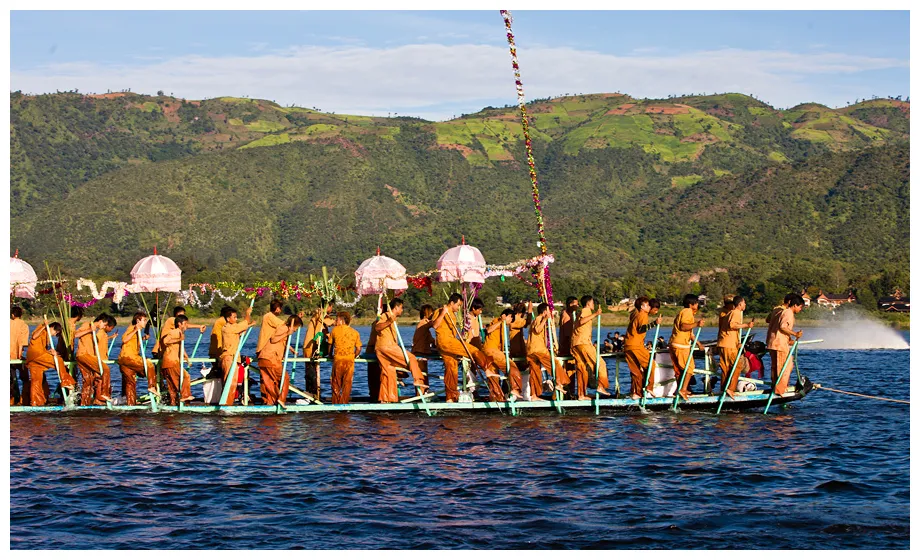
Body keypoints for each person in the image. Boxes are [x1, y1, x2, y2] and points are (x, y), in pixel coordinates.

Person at [433, 293, 494, 403]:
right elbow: (435, 325)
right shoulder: (440, 311)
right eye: (458, 305)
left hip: (450, 342)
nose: (459, 308)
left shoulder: (453, 313)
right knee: (472, 350)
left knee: (452, 368)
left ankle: (450, 397)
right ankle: (487, 368)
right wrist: (443, 313)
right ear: (452, 303)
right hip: (445, 341)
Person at [374, 299, 426, 404]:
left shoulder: (392, 317)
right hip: (387, 346)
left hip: (381, 348)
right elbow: (377, 327)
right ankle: (418, 380)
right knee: (411, 358)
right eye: (401, 308)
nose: (402, 310)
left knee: (388, 371)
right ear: (396, 307)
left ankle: (386, 398)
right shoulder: (386, 315)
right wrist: (389, 321)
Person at [526, 303, 568, 400]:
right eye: (549, 311)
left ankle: (534, 395)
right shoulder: (539, 319)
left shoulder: (537, 320)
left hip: (531, 351)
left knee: (535, 372)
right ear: (545, 312)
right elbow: (537, 330)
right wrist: (545, 319)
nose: (550, 313)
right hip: (538, 350)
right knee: (555, 364)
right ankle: (558, 383)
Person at [570, 296, 610, 400]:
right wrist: (596, 314)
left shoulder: (581, 312)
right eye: (592, 302)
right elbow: (582, 321)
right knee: (601, 363)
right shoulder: (586, 310)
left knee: (582, 368)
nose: (593, 304)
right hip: (583, 343)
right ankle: (601, 386)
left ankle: (581, 394)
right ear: (588, 303)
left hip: (576, 343)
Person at [257, 314, 302, 405]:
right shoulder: (284, 328)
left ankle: (271, 402)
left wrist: (291, 349)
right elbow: (273, 339)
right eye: (296, 327)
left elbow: (281, 341)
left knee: (270, 382)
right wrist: (287, 333)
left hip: (264, 357)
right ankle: (281, 399)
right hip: (271, 358)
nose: (296, 330)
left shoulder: (285, 329)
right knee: (285, 378)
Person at [669, 294, 706, 402]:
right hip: (681, 345)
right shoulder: (687, 311)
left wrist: (698, 344)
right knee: (690, 367)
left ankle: (680, 389)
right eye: (696, 303)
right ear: (691, 304)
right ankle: (683, 389)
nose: (697, 305)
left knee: (681, 369)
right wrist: (697, 324)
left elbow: (690, 334)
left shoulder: (685, 313)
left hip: (676, 343)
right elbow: (683, 326)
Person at [717, 296, 756, 399]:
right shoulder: (736, 312)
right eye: (744, 303)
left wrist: (738, 342)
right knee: (737, 366)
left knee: (726, 368)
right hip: (729, 345)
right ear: (740, 304)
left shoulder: (730, 313)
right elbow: (732, 325)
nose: (745, 305)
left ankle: (724, 389)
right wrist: (746, 325)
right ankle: (731, 389)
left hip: (724, 344)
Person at [766, 294, 804, 395]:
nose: (800, 309)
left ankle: (776, 387)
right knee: (785, 366)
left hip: (774, 342)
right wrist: (795, 334)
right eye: (800, 307)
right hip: (779, 344)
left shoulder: (779, 310)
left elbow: (774, 324)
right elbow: (782, 326)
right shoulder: (788, 312)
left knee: (777, 366)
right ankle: (780, 390)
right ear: (795, 305)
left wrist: (789, 339)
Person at [74, 314, 117, 405]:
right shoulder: (87, 324)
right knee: (105, 369)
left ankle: (84, 403)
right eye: (104, 325)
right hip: (84, 354)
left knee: (88, 379)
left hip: (89, 356)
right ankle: (104, 394)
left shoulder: (96, 330)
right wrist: (90, 330)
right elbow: (75, 335)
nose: (104, 327)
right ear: (100, 321)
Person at [624, 296, 662, 399]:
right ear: (642, 306)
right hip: (636, 345)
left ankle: (636, 393)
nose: (649, 307)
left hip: (628, 345)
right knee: (651, 365)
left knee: (636, 371)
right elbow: (641, 329)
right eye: (647, 305)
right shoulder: (643, 314)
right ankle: (649, 386)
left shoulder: (635, 314)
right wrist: (655, 323)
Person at [482, 309, 523, 401]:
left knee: (494, 375)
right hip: (491, 350)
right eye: (511, 319)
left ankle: (496, 397)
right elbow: (489, 330)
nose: (510, 322)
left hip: (491, 351)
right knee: (512, 366)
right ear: (507, 316)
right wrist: (501, 321)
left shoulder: (503, 325)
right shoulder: (498, 321)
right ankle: (515, 388)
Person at [117, 311, 157, 405]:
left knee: (130, 382)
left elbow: (132, 342)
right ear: (138, 321)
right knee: (149, 365)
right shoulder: (132, 328)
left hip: (124, 359)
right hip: (129, 357)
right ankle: (152, 386)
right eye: (144, 320)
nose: (145, 322)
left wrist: (143, 338)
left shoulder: (136, 331)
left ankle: (131, 403)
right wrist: (135, 330)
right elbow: (124, 340)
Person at [24, 321, 66, 406]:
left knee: (36, 380)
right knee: (59, 360)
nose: (54, 334)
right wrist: (44, 326)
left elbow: (42, 348)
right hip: (36, 355)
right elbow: (34, 336)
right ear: (52, 327)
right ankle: (66, 381)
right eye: (55, 332)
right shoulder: (42, 328)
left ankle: (36, 402)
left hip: (36, 359)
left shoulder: (47, 336)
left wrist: (50, 352)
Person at [220, 305, 254, 405]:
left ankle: (228, 403)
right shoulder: (228, 328)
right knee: (230, 383)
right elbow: (245, 323)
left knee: (232, 383)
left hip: (232, 357)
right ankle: (226, 404)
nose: (236, 319)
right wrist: (248, 313)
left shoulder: (232, 329)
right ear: (228, 318)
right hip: (229, 358)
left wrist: (249, 325)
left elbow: (241, 330)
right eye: (234, 317)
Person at [303, 301, 335, 401]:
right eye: (331, 307)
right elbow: (320, 330)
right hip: (311, 347)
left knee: (312, 370)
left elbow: (325, 331)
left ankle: (314, 393)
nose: (332, 310)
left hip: (314, 346)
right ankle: (312, 394)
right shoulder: (320, 314)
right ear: (328, 306)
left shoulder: (320, 316)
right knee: (311, 371)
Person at [328, 312, 362, 404]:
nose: (335, 322)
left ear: (342, 320)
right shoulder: (355, 332)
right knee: (347, 384)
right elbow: (359, 349)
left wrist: (330, 355)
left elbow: (330, 345)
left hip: (338, 359)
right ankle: (344, 403)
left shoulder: (335, 330)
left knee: (336, 382)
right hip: (350, 360)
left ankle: (336, 403)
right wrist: (354, 356)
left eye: (337, 320)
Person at [159, 315, 193, 405]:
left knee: (172, 387)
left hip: (170, 362)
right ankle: (185, 396)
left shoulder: (180, 333)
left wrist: (187, 359)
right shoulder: (174, 332)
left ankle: (173, 404)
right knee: (186, 377)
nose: (186, 326)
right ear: (179, 324)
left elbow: (181, 347)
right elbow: (165, 341)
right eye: (185, 324)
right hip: (171, 362)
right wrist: (179, 339)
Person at [411, 304, 437, 387]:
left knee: (424, 376)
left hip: (422, 353)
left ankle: (424, 392)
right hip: (419, 354)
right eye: (432, 313)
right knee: (421, 377)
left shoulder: (424, 328)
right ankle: (421, 393)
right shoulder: (424, 323)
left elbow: (432, 340)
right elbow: (435, 324)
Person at [208, 305, 234, 380]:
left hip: (216, 352)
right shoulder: (222, 322)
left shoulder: (220, 321)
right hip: (218, 353)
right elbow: (235, 328)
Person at [10, 306, 29, 405]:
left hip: (9, 355)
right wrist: (19, 354)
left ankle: (12, 398)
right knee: (25, 378)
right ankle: (23, 398)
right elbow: (22, 343)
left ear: (12, 315)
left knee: (11, 378)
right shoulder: (24, 326)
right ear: (21, 315)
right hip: (18, 355)